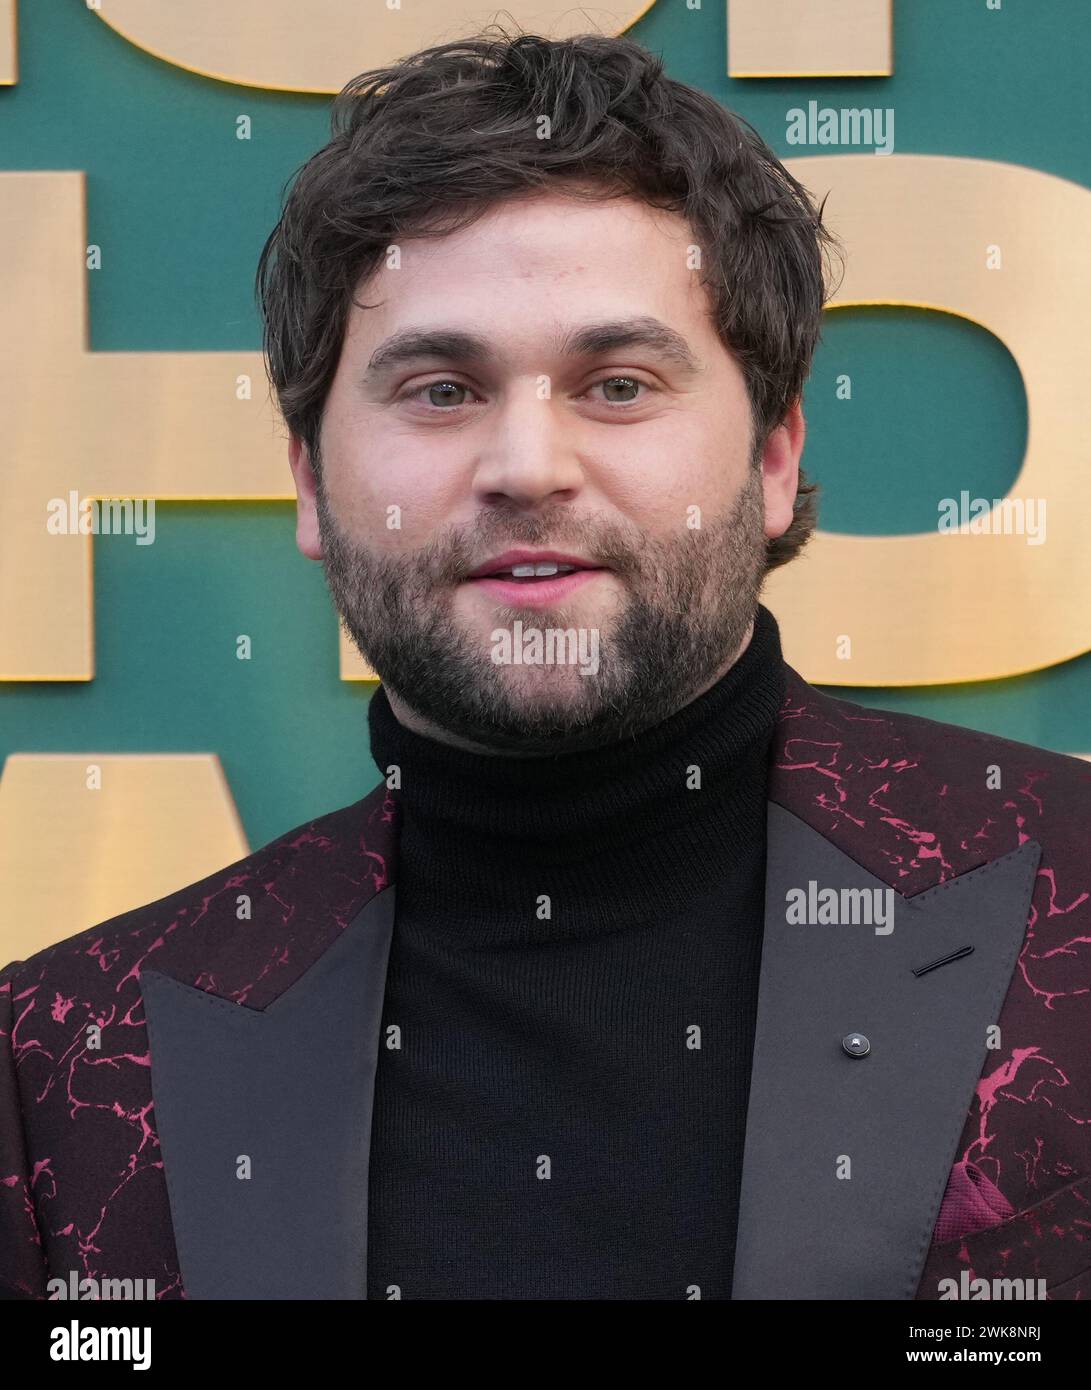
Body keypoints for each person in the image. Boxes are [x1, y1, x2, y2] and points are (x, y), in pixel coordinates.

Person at [2, 28, 1088, 1302]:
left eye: (617, 384)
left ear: (774, 459)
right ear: (308, 482)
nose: (526, 463)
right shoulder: (62, 1064)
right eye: (440, 389)